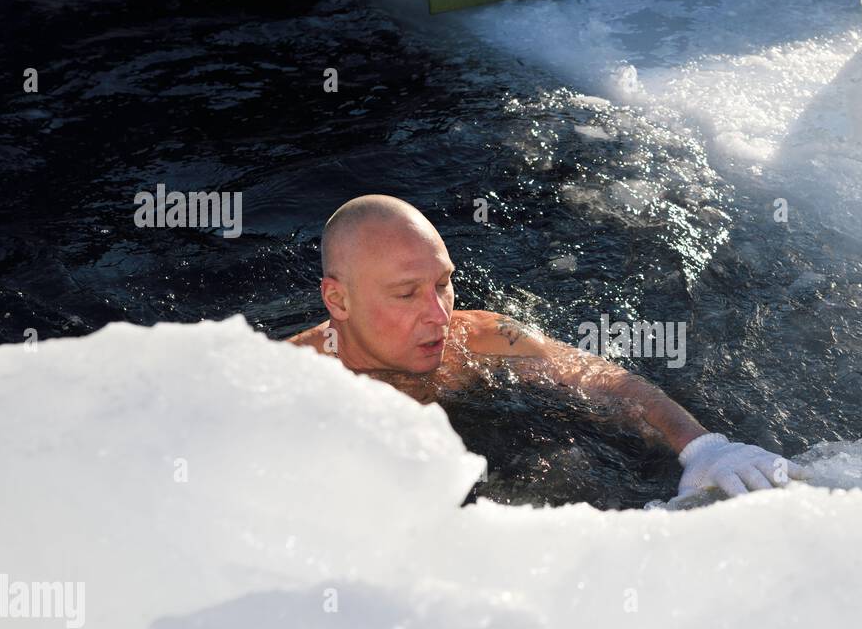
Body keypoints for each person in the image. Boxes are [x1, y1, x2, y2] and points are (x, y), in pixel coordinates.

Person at [288, 194, 808, 499]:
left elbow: (599, 379)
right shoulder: (292, 379)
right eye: (406, 294)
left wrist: (701, 446)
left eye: (443, 283)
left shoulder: (479, 337)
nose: (439, 313)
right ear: (339, 299)